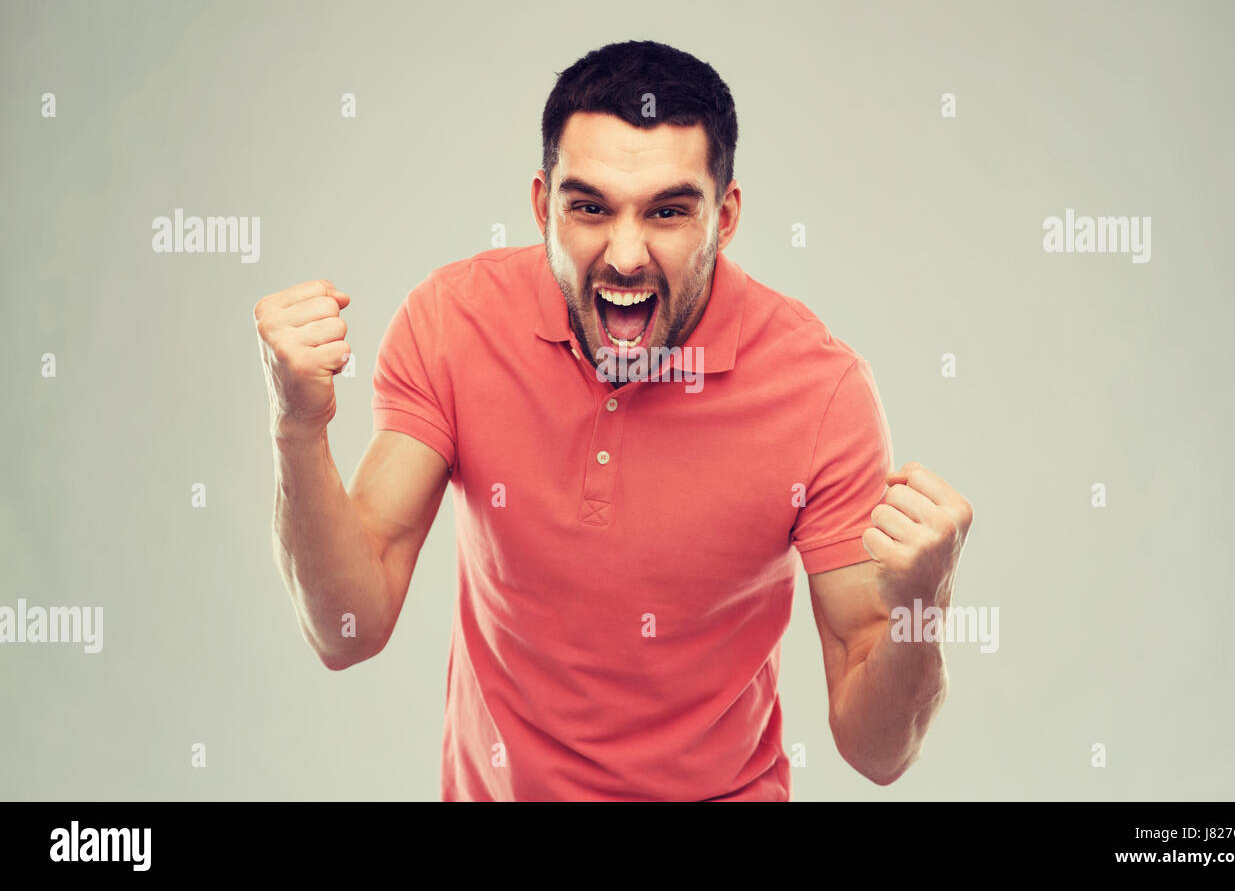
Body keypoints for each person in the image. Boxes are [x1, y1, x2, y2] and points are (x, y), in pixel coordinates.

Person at [253, 40, 973, 801]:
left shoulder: (820, 392)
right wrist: (296, 428)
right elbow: (345, 628)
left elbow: (877, 752)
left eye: (668, 211)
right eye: (590, 207)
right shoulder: (453, 323)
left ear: (725, 217)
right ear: (542, 206)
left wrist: (924, 605)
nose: (625, 255)